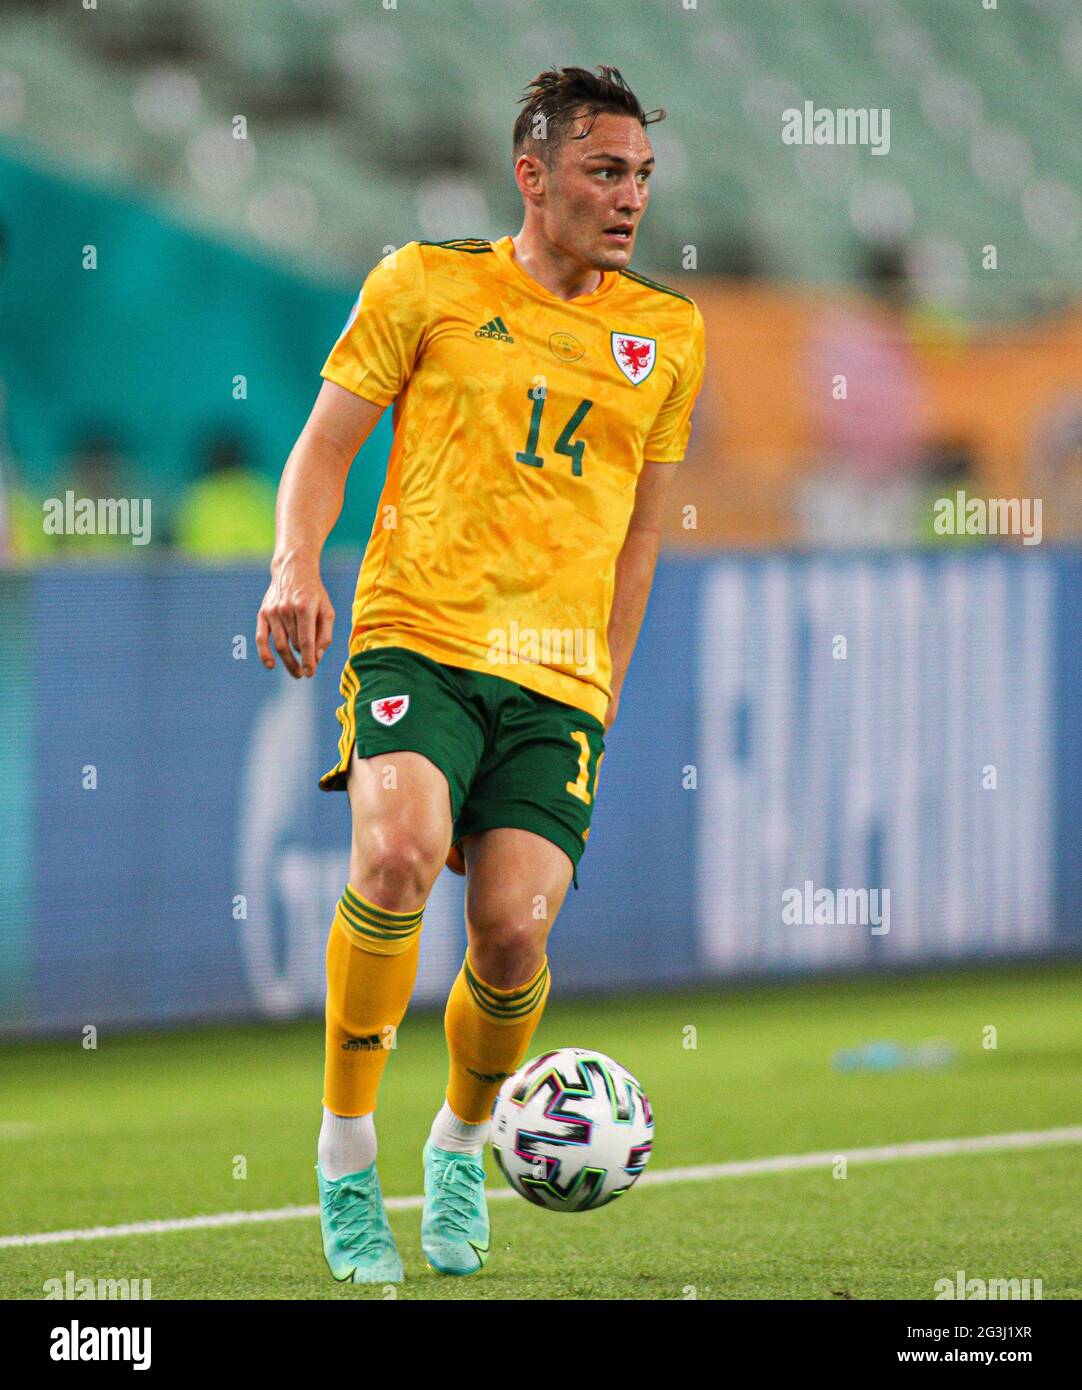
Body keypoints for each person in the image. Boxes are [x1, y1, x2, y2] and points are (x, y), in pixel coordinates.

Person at [256, 65, 706, 1283]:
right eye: (603, 172)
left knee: (509, 932)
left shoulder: (666, 334)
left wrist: (603, 681)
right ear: (534, 174)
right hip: (421, 635)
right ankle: (347, 1150)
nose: (627, 199)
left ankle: (461, 1139)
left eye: (641, 178)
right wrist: (296, 565)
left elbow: (644, 530)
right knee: (395, 856)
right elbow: (324, 446)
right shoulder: (426, 285)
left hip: (559, 679)